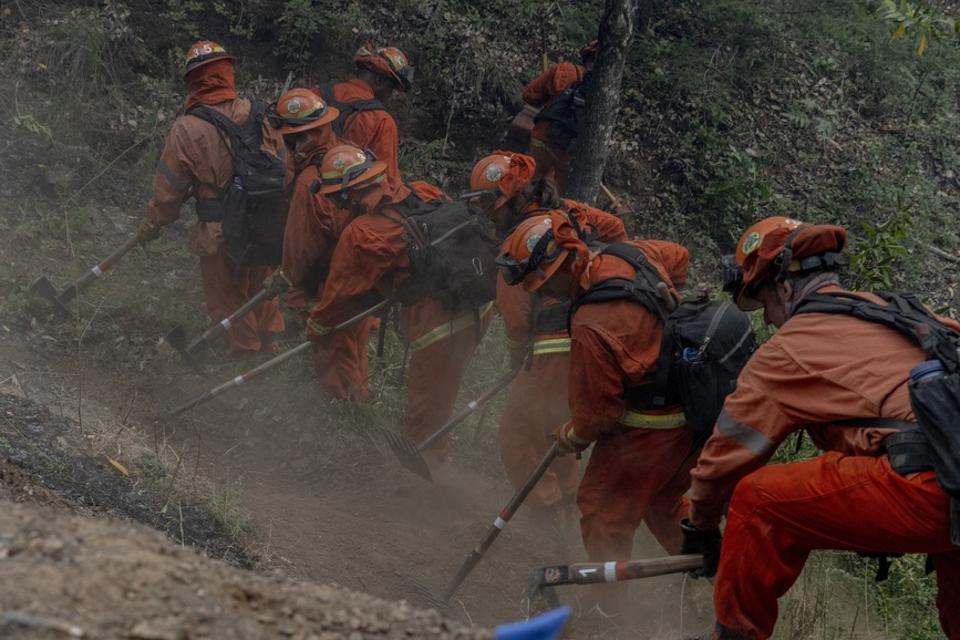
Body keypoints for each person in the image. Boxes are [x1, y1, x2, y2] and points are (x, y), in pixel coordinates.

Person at [681, 216, 960, 639]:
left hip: (932, 484)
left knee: (758, 501)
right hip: (953, 476)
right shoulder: (896, 310)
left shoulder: (789, 349)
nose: (770, 322)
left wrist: (699, 525)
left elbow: (727, 454)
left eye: (765, 306)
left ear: (785, 287)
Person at [496, 211, 694, 614]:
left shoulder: (589, 325)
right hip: (688, 412)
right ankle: (710, 574)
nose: (549, 291)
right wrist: (665, 303)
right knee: (665, 504)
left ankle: (606, 613)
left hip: (648, 427)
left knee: (602, 510)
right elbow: (679, 256)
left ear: (566, 264)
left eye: (547, 282)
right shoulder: (632, 254)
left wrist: (571, 435)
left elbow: (598, 417)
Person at [305, 144, 492, 465]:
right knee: (445, 388)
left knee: (424, 398)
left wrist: (316, 328)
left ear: (348, 194)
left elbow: (337, 296)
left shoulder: (361, 232)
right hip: (478, 304)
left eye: (337, 197)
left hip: (437, 319)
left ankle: (422, 470)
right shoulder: (423, 191)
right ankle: (435, 452)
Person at [468, 150, 627, 518]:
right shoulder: (571, 212)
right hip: (598, 333)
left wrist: (516, 357)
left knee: (517, 435)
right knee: (556, 426)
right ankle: (569, 500)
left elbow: (517, 319)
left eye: (488, 205)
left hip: (553, 348)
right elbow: (617, 232)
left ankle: (548, 510)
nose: (487, 216)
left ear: (506, 201)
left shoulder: (516, 243)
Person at [137, 40, 285, 354]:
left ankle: (245, 355)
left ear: (192, 81)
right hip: (263, 220)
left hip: (219, 228)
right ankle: (269, 341)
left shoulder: (186, 129)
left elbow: (168, 191)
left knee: (226, 293)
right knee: (262, 282)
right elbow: (285, 166)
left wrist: (155, 222)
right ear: (228, 73)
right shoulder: (260, 114)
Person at [313, 42, 413, 192]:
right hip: (338, 206)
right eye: (391, 88)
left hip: (299, 192)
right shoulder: (383, 122)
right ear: (379, 80)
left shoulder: (315, 95)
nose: (390, 95)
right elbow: (388, 183)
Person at [521, 39, 598, 191]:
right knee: (551, 198)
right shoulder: (606, 93)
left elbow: (529, 95)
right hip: (567, 152)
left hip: (542, 137)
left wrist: (549, 103)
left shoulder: (564, 69)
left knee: (526, 184)